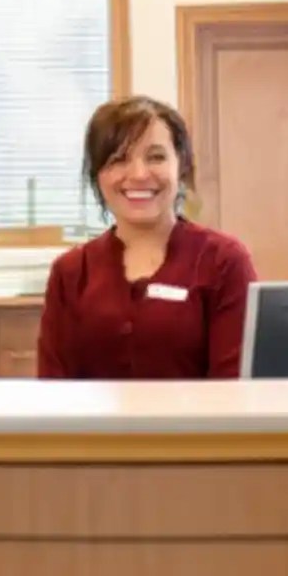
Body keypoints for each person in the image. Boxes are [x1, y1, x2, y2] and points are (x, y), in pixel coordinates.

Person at [37, 95, 258, 379]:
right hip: (96, 426)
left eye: (156, 157)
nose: (139, 174)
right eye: (119, 159)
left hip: (196, 425)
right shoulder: (70, 272)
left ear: (182, 166)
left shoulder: (224, 262)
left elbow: (236, 390)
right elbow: (53, 391)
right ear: (97, 175)